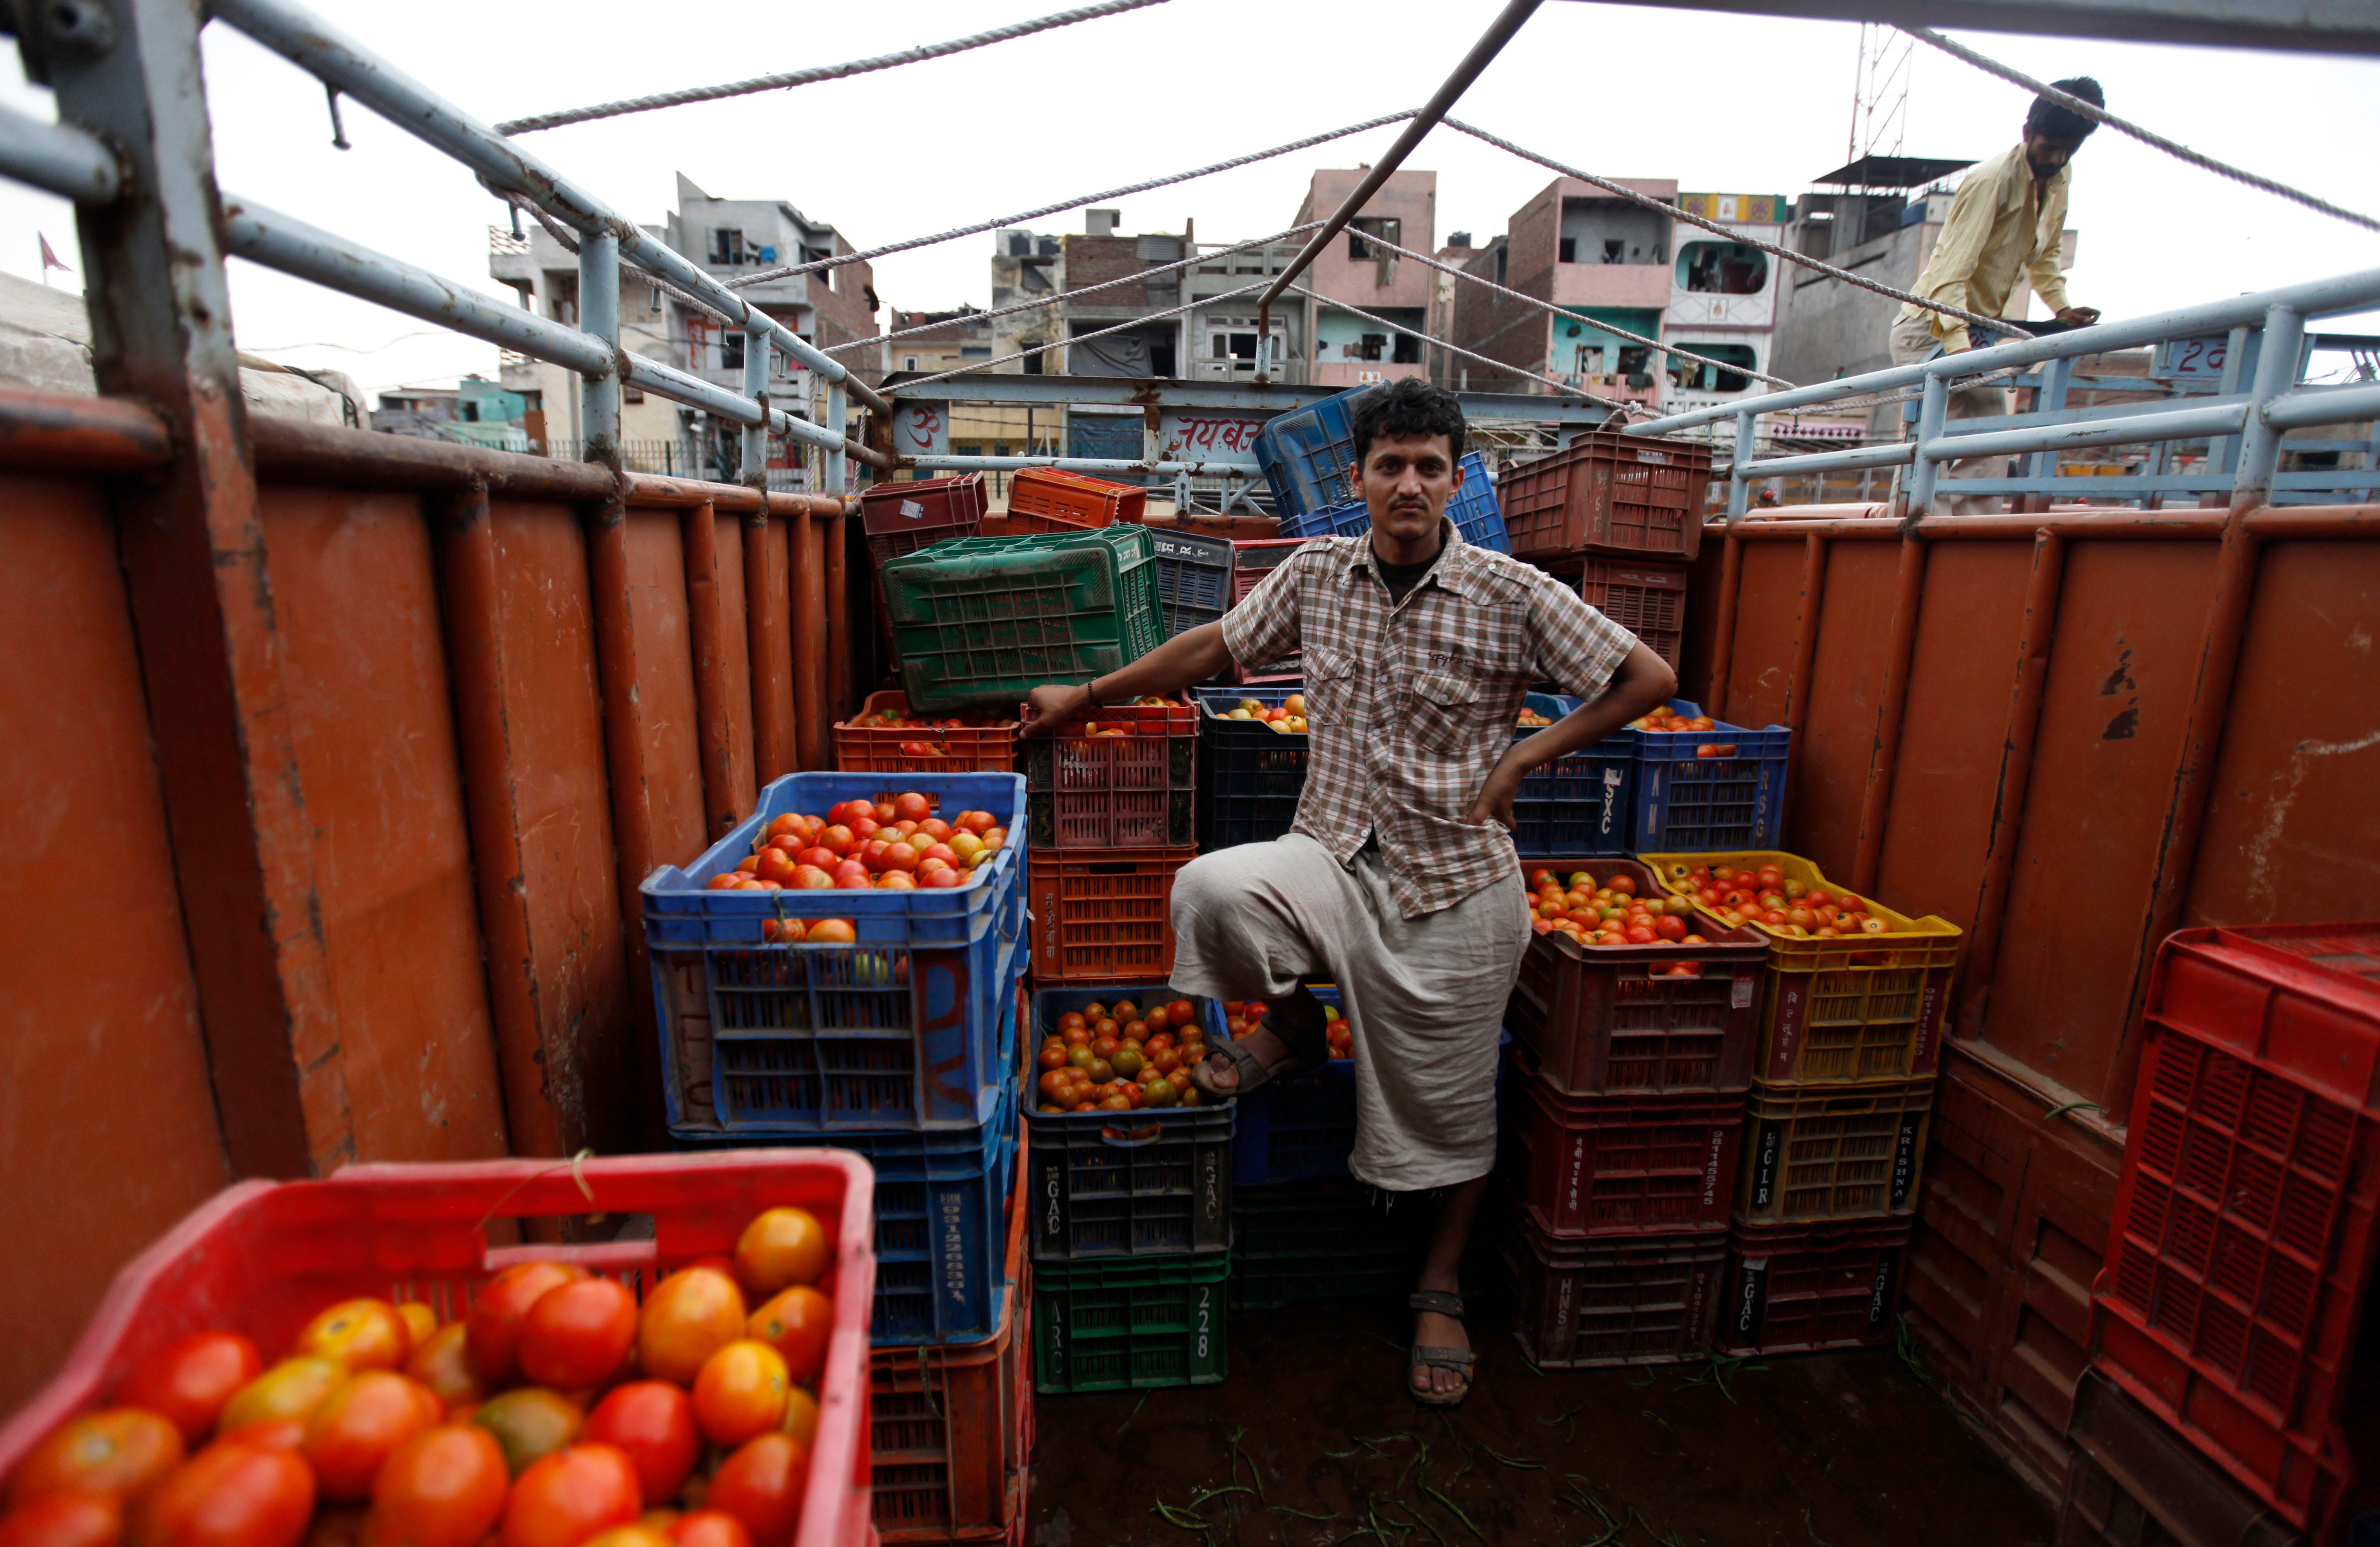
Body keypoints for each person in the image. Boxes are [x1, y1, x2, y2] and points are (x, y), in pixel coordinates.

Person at [1020, 379, 1677, 1406]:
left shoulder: (1509, 590)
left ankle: (1438, 1280)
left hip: (1454, 880)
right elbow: (1215, 648)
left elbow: (1646, 676)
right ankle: (1287, 1022)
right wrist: (1091, 693)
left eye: (1427, 465)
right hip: (1330, 853)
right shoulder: (1317, 573)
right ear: (1359, 480)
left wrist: (1525, 757)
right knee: (1209, 889)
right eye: (1388, 464)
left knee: (1450, 1101)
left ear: (1455, 481)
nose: (1407, 482)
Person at [1891, 76, 2107, 516]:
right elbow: (1952, 274)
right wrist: (1959, 347)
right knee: (1962, 431)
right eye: (2048, 147)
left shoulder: (2058, 175)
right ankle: (1938, 530)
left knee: (1972, 434)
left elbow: (2044, 254)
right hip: (1930, 327)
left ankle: (1945, 529)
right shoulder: (1992, 181)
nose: (2056, 158)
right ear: (2026, 132)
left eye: (2068, 149)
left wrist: (2060, 308)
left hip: (1973, 329)